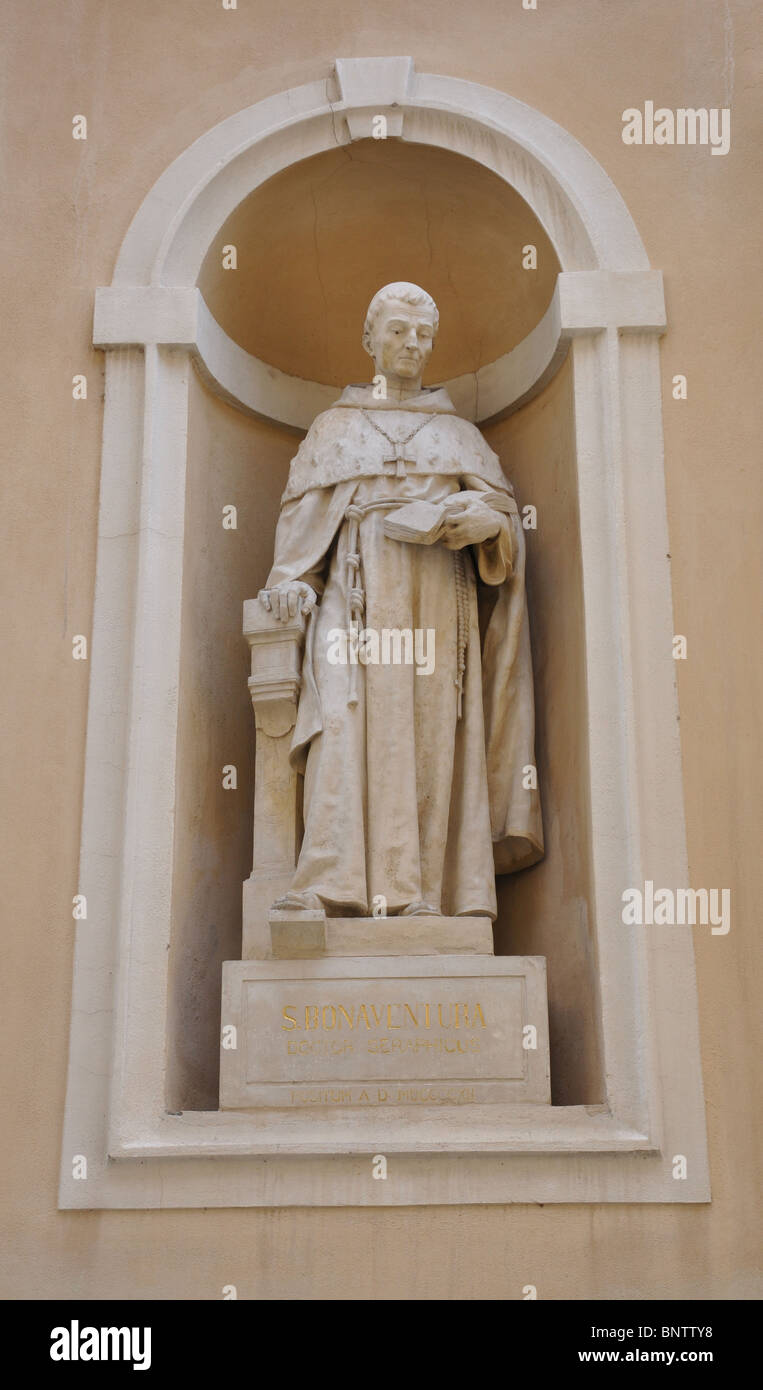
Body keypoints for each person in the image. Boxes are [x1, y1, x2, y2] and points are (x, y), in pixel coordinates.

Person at [259, 282, 543, 921]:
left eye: (422, 335)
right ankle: (330, 881)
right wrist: (294, 590)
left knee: (431, 738)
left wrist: (488, 528)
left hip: (439, 600)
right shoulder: (333, 431)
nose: (411, 344)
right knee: (339, 720)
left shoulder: (459, 435)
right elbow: (302, 550)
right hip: (354, 599)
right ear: (370, 339)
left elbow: (504, 528)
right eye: (397, 331)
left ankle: (425, 895)